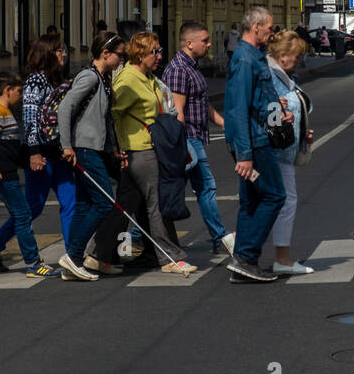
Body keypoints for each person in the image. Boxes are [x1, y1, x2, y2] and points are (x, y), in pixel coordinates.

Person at [93, 32, 195, 277]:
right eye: (154, 52)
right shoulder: (128, 80)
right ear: (140, 54)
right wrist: (119, 147)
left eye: (159, 51)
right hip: (139, 150)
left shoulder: (147, 77)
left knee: (127, 206)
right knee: (155, 203)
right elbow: (113, 114)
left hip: (150, 147)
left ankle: (94, 253)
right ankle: (170, 257)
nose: (160, 56)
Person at [0, 34, 75, 270]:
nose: (64, 54)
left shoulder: (54, 79)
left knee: (70, 201)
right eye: (59, 50)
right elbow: (30, 119)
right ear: (48, 53)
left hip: (57, 152)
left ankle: (73, 254)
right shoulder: (35, 81)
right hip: (40, 153)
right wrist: (34, 152)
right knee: (32, 207)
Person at [224, 6, 289, 283]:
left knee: (251, 201)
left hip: (254, 138)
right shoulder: (245, 59)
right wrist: (245, 154)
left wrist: (276, 107)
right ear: (256, 27)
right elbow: (238, 109)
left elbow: (255, 102)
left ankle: (242, 262)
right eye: (270, 28)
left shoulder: (255, 56)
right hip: (254, 143)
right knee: (275, 195)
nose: (272, 33)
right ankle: (247, 256)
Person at [162, 22, 234, 265]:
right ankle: (220, 237)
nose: (210, 43)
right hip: (187, 139)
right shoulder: (179, 70)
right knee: (204, 187)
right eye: (205, 40)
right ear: (189, 43)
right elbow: (177, 112)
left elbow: (201, 103)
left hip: (193, 137)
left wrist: (222, 123)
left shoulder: (192, 67)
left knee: (170, 192)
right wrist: (183, 149)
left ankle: (137, 235)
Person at [58, 32, 128, 279]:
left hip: (93, 147)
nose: (122, 59)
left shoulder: (103, 79)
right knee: (105, 201)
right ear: (105, 53)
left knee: (83, 204)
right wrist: (66, 145)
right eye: (120, 54)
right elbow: (65, 109)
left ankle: (71, 263)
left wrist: (113, 147)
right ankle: (75, 255)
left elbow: (103, 118)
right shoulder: (89, 77)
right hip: (84, 148)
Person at [267, 29, 314, 275]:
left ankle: (242, 246)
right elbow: (270, 112)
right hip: (275, 150)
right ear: (283, 55)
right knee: (285, 201)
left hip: (282, 148)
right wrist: (282, 115)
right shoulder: (272, 77)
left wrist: (301, 128)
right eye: (296, 56)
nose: (299, 60)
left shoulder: (283, 75)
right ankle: (281, 259)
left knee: (269, 201)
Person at [0, 72, 49, 277]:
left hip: (4, 174)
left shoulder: (6, 113)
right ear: (7, 90)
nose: (22, 96)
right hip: (3, 177)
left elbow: (10, 149)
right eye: (19, 91)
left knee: (20, 215)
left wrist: (30, 160)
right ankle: (34, 263)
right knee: (23, 215)